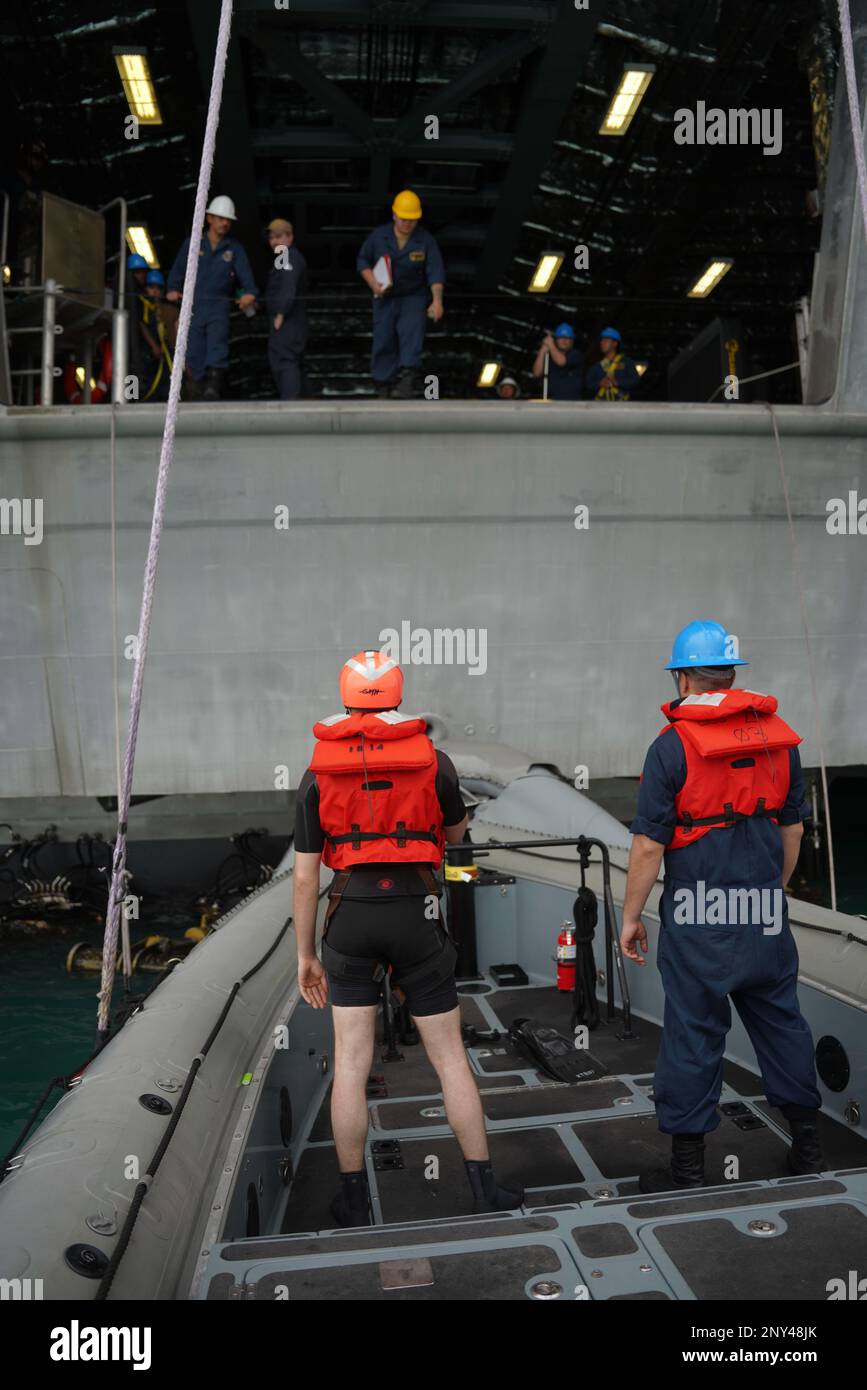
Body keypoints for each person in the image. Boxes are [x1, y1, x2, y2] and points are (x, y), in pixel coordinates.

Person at [292, 649, 524, 1226]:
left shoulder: (317, 770)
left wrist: (305, 955)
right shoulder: (434, 760)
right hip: (416, 916)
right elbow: (456, 835)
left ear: (346, 697)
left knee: (350, 1063)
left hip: (351, 915)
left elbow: (305, 873)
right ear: (397, 694)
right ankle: (483, 1190)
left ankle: (352, 1202)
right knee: (449, 1060)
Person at [620, 620, 825, 1193]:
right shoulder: (781, 744)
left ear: (684, 678)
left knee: (693, 1034)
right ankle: (808, 1150)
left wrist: (631, 917)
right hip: (762, 914)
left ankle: (687, 1171)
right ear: (732, 674)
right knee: (783, 1025)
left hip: (697, 918)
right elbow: (792, 831)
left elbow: (647, 846)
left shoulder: (671, 747)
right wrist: (771, 893)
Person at [166, 194, 257, 401]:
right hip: (194, 306)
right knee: (194, 349)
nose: (225, 223)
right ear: (209, 218)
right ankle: (197, 389)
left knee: (217, 346)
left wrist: (250, 293)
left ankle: (212, 388)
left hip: (219, 306)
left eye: (228, 220)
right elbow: (178, 271)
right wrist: (172, 289)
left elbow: (246, 278)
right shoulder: (193, 244)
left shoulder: (234, 249)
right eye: (220, 218)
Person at [357, 190, 445, 398]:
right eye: (404, 219)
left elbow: (435, 272)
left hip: (413, 297)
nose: (408, 224)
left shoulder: (426, 240)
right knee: (383, 337)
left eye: (412, 220)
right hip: (385, 297)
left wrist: (437, 301)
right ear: (394, 215)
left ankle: (406, 381)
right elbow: (362, 261)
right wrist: (373, 285)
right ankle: (383, 386)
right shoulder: (378, 236)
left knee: (411, 334)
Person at [264, 218, 308, 401]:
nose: (274, 242)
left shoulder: (289, 257)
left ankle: (291, 405)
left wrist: (280, 313)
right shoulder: (282, 257)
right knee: (281, 360)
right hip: (284, 323)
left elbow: (288, 289)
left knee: (285, 360)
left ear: (290, 237)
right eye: (272, 238)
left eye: (279, 237)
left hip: (289, 323)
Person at [138, 270, 174, 402]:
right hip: (140, 358)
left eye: (158, 288)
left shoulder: (161, 310)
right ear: (145, 288)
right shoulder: (140, 306)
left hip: (158, 359)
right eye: (151, 287)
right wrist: (154, 346)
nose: (155, 291)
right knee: (134, 393)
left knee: (163, 389)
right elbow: (140, 325)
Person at [585, 326, 640, 400]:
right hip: (601, 406)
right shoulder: (597, 366)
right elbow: (588, 384)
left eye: (606, 340)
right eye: (602, 340)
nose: (602, 343)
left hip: (622, 406)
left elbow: (635, 381)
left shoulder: (626, 362)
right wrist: (600, 383)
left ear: (615, 343)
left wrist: (617, 382)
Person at [531, 323, 583, 400]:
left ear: (572, 341)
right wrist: (543, 350)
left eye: (568, 338)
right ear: (556, 340)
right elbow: (536, 373)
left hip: (572, 403)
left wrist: (551, 345)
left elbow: (561, 362)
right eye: (561, 337)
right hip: (553, 401)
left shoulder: (576, 354)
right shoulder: (550, 356)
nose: (564, 340)